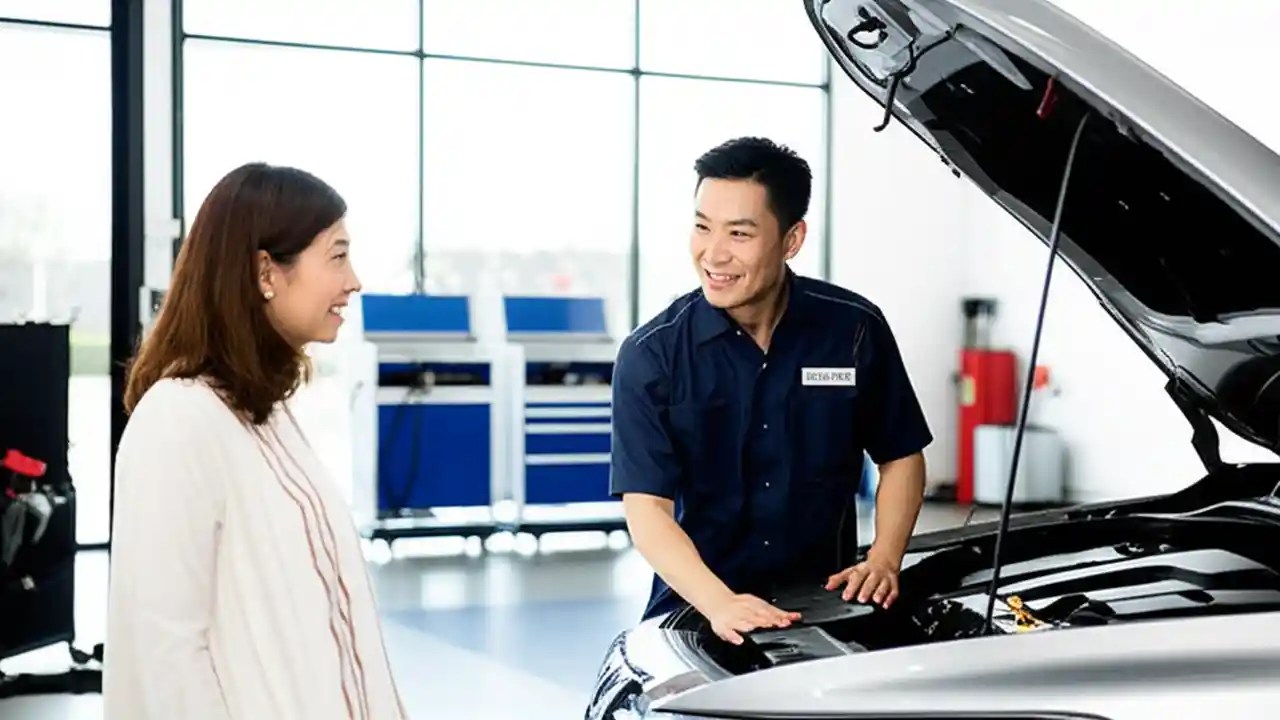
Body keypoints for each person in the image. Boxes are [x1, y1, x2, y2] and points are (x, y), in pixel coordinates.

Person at [104, 163, 407, 719]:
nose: (354, 280)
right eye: (337, 256)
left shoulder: (262, 414)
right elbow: (165, 656)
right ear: (266, 270)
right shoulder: (179, 419)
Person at [611, 137, 932, 645]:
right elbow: (646, 508)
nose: (713, 254)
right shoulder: (653, 355)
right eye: (701, 227)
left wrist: (884, 558)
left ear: (791, 239)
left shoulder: (853, 330)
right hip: (698, 610)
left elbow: (902, 456)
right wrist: (720, 603)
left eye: (739, 233)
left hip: (826, 603)